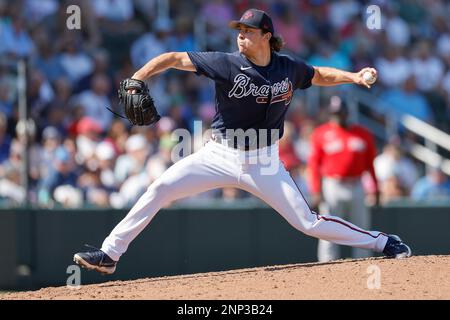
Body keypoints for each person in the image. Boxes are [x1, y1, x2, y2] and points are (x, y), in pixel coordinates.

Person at [74, 9, 411, 275]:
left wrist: (353, 76)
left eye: (248, 32)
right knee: (160, 188)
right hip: (218, 154)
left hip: (264, 161)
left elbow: (319, 74)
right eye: (238, 31)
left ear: (267, 36)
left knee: (307, 223)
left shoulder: (287, 67)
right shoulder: (225, 63)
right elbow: (173, 58)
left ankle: (384, 243)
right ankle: (110, 254)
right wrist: (137, 77)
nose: (241, 36)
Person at [308, 96, 379, 262]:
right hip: (333, 184)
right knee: (327, 228)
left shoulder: (363, 133)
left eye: (340, 113)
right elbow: (313, 165)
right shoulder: (321, 133)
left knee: (361, 228)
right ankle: (326, 264)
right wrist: (316, 190)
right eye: (334, 113)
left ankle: (363, 263)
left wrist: (375, 188)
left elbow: (370, 164)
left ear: (347, 113)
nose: (337, 117)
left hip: (357, 184)